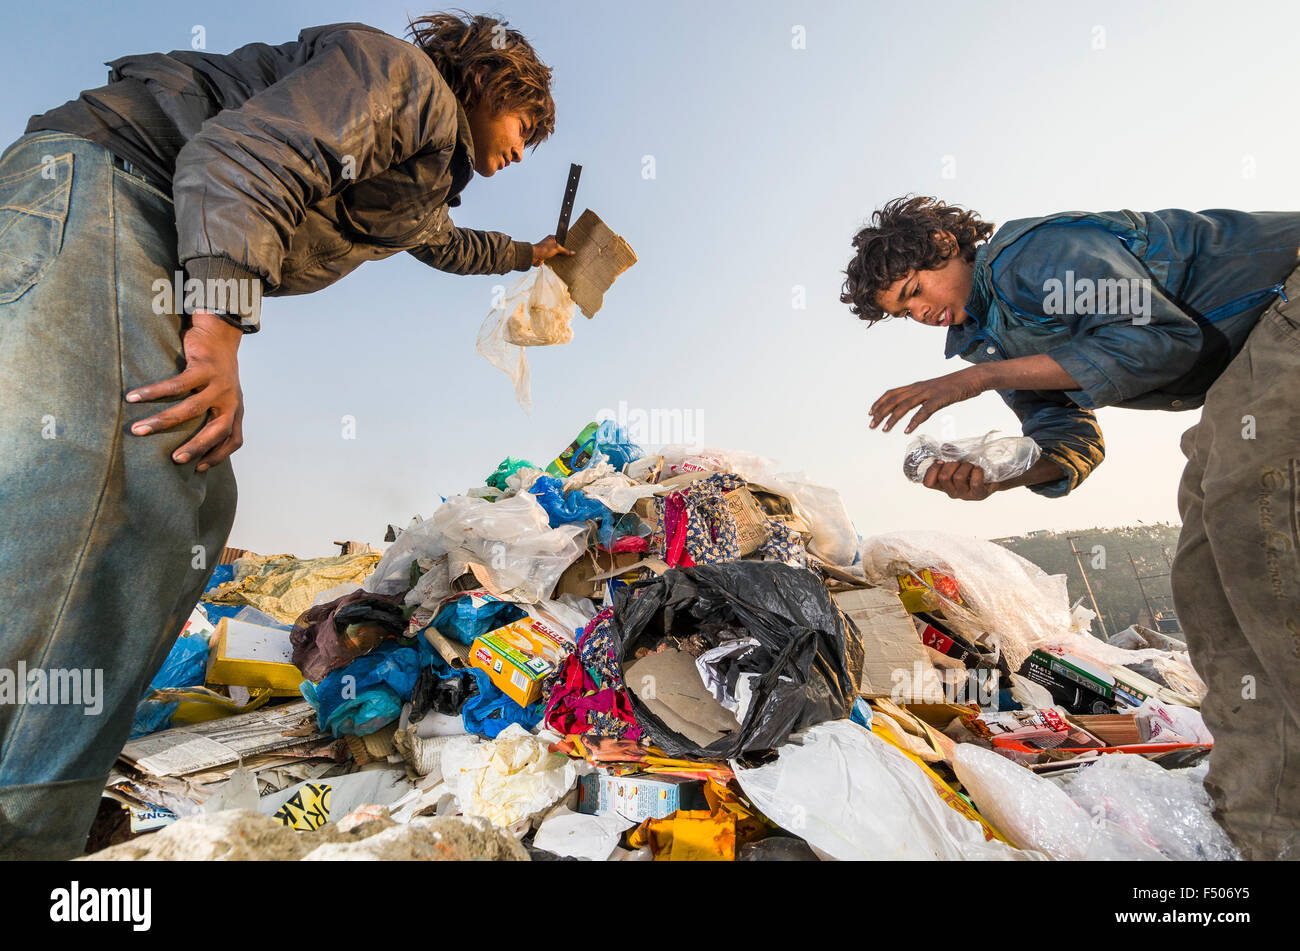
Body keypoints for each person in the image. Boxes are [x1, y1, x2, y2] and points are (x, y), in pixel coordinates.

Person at [0, 13, 571, 860]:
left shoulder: (415, 176)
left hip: (129, 220)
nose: (524, 152)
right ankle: (24, 828)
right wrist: (220, 329)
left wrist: (534, 250)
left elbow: (447, 245)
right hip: (112, 190)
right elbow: (240, 156)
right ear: (491, 82)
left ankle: (43, 802)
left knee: (192, 499)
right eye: (526, 129)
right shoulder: (403, 79)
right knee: (119, 490)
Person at [844, 196, 1300, 860]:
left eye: (916, 290)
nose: (921, 313)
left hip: (1286, 302)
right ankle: (1267, 834)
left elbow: (1157, 336)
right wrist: (999, 473)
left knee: (1247, 513)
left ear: (946, 243)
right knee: (1203, 577)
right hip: (1243, 364)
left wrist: (977, 379)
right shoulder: (992, 338)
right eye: (904, 312)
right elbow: (1068, 439)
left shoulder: (1030, 257)